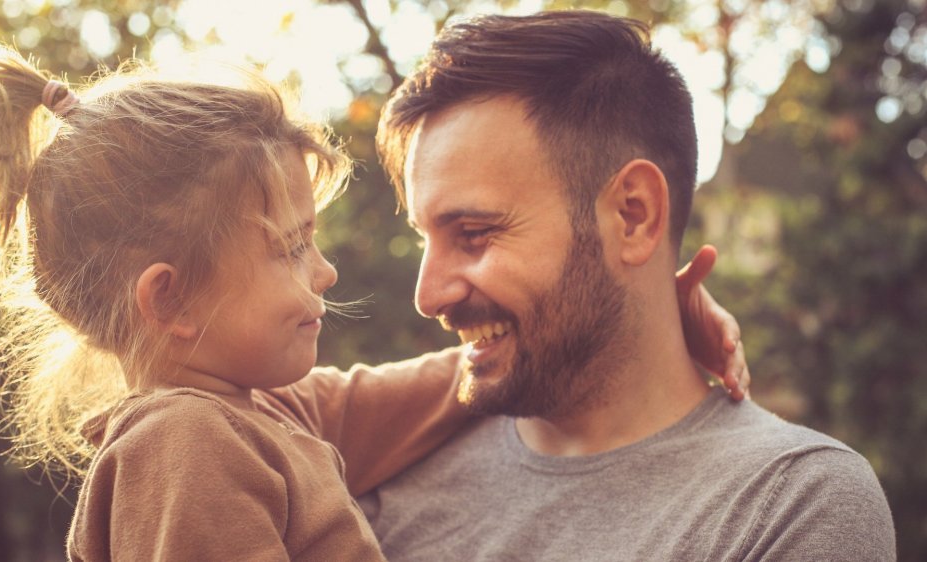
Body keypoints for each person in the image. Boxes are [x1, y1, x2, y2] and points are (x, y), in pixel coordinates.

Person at [0, 42, 745, 560]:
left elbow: (422, 393)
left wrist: (640, 321)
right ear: (170, 301)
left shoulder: (263, 414)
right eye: (288, 248)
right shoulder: (185, 447)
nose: (322, 272)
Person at [358, 10, 896, 561]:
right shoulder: (376, 472)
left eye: (473, 234)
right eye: (426, 238)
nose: (428, 296)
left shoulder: (786, 505)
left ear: (633, 216)